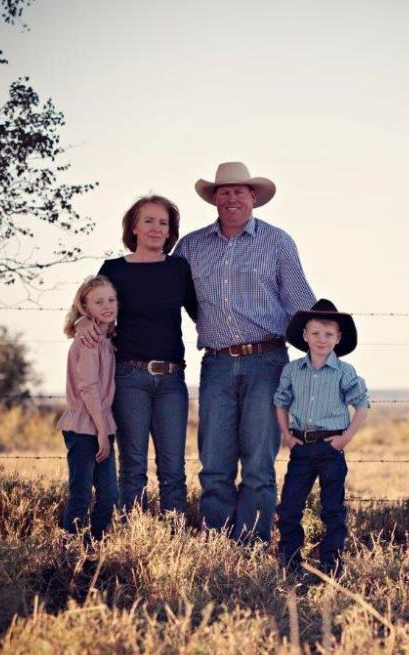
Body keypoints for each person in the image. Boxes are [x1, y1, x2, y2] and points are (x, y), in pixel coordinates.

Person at [174, 162, 315, 542]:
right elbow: (175, 297)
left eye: (239, 191)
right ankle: (218, 543)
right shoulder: (190, 246)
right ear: (214, 199)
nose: (231, 197)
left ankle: (251, 543)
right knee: (215, 464)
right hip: (217, 363)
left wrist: (319, 359)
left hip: (267, 362)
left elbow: (300, 302)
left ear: (253, 197)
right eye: (224, 191)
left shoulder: (277, 242)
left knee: (258, 465)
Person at [76, 195, 198, 514]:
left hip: (172, 380)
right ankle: (134, 540)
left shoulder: (178, 269)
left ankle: (174, 539)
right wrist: (81, 320)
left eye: (163, 223)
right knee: (133, 468)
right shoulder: (114, 269)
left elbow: (202, 312)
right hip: (130, 378)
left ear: (170, 231)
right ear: (134, 226)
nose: (156, 228)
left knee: (173, 471)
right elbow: (90, 302)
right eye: (149, 221)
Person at [274, 299, 369, 576]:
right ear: (304, 335)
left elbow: (362, 406)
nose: (321, 339)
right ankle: (290, 562)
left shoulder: (344, 372)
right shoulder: (293, 371)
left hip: (331, 447)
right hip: (301, 447)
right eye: (315, 333)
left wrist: (345, 439)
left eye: (328, 334)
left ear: (338, 338)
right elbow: (281, 402)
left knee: (332, 509)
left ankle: (331, 564)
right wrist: (288, 437)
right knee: (290, 506)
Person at [56, 275, 121, 540]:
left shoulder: (106, 339)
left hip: (101, 423)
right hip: (85, 426)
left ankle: (91, 547)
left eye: (111, 300)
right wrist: (102, 431)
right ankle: (66, 550)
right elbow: (88, 388)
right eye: (98, 302)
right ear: (85, 307)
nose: (107, 306)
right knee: (81, 493)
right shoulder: (89, 340)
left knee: (109, 495)